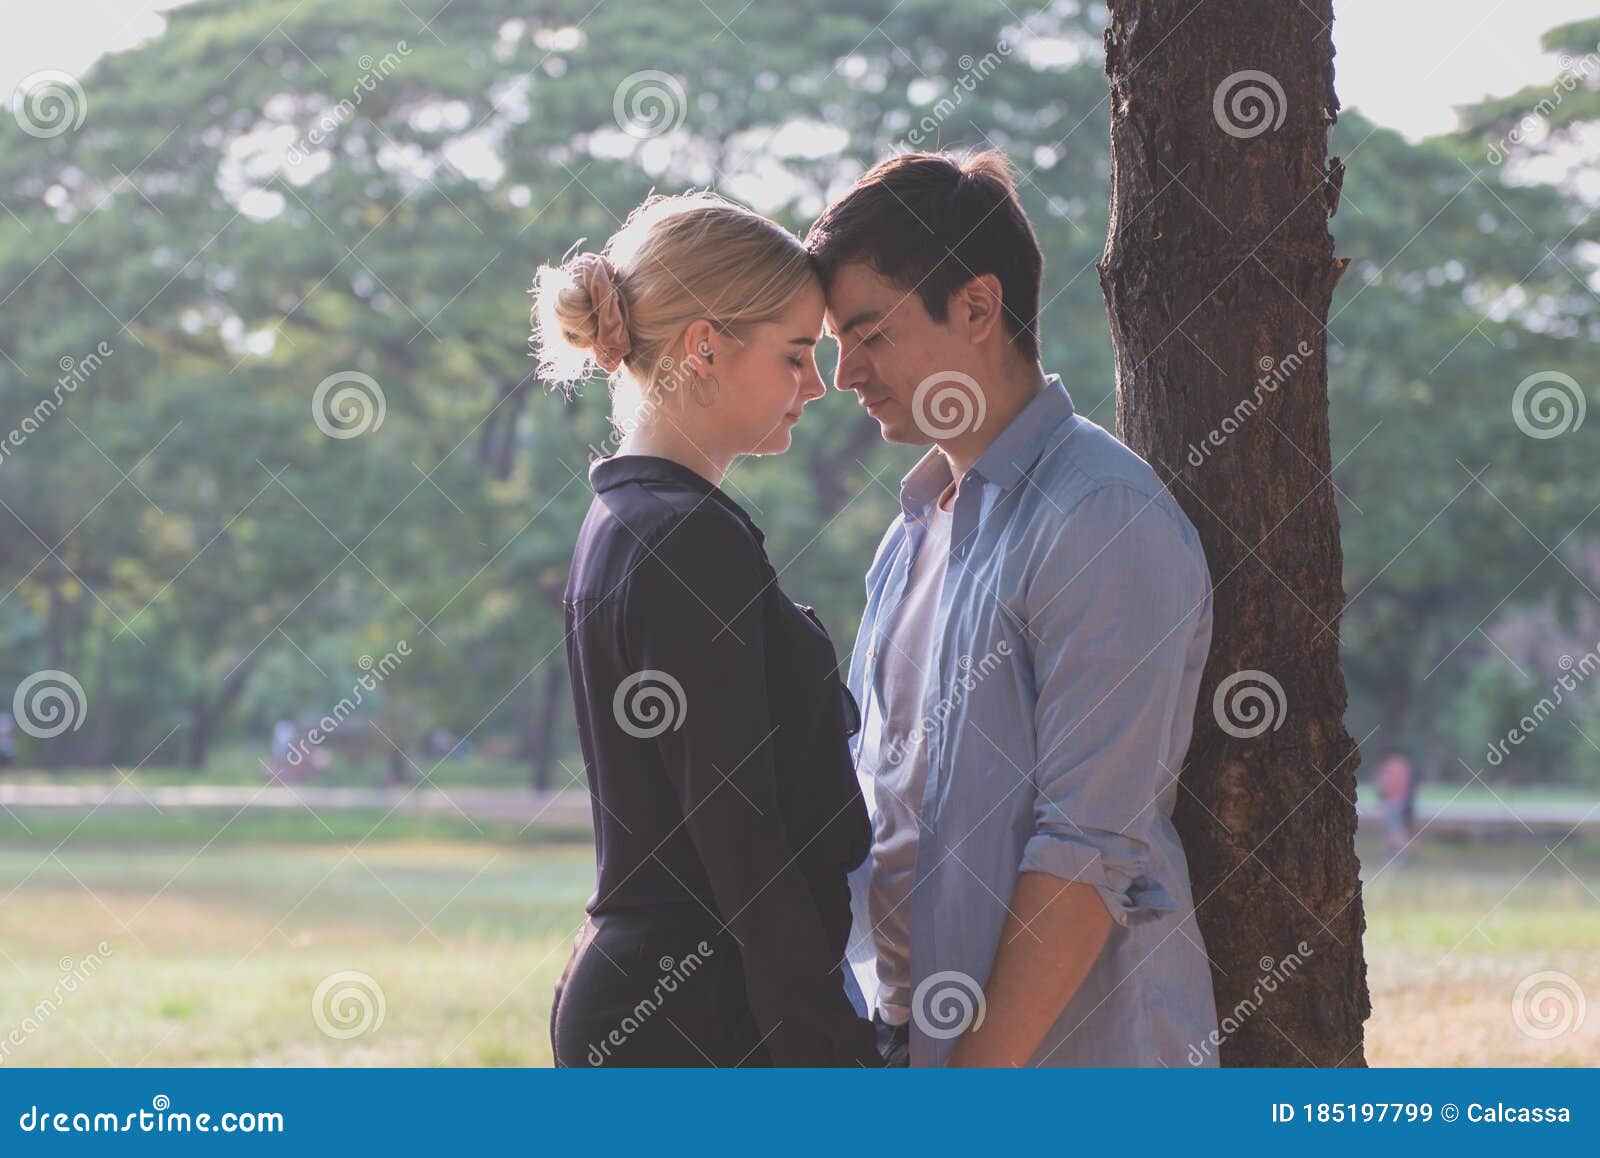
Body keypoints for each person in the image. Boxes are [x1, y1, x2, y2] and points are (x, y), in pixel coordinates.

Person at [807, 149, 1220, 1066]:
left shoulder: (1100, 516)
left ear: (979, 307)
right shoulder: (913, 528)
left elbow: (1086, 853)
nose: (846, 375)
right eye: (837, 343)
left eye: (869, 334)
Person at [534, 191, 879, 1067]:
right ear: (706, 347)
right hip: (701, 1015)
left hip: (660, 995)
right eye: (797, 355)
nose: (818, 383)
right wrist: (827, 1047)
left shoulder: (627, 517)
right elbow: (740, 838)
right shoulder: (687, 536)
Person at [1377, 752, 1415, 861]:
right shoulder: (1404, 765)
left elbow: (1384, 784)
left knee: (1394, 829)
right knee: (1399, 828)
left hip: (1391, 801)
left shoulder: (1388, 767)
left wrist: (1382, 799)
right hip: (1402, 801)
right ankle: (1399, 855)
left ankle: (1398, 856)